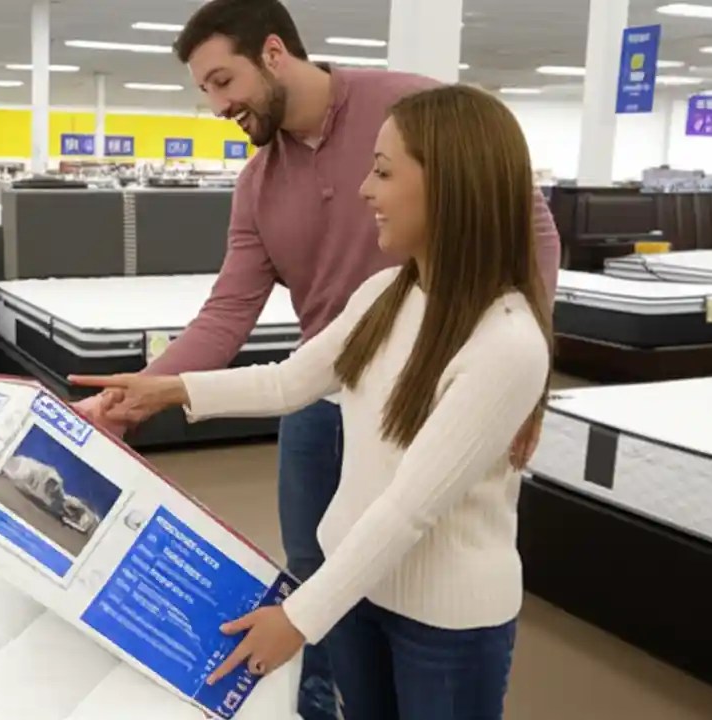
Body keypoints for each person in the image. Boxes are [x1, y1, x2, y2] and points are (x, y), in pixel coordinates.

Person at [71, 1, 561, 717]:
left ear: (273, 52)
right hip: (340, 424)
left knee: (378, 542)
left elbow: (408, 510)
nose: (217, 106)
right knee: (322, 568)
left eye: (221, 81)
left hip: (443, 567)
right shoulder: (368, 276)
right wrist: (147, 393)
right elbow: (263, 353)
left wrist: (529, 384)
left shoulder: (415, 114)